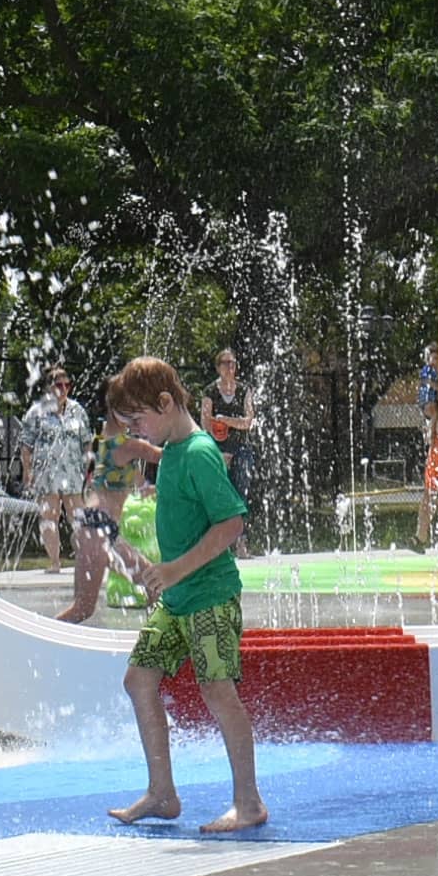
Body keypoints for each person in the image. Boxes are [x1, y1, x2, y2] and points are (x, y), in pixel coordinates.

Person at [90, 357, 264, 835]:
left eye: (138, 420)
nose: (135, 431)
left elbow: (232, 524)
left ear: (165, 404)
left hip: (209, 595)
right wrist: (160, 575)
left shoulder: (200, 453)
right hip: (179, 598)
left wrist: (173, 570)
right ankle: (163, 792)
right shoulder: (171, 452)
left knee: (218, 691)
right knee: (138, 679)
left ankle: (248, 802)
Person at [19, 365, 96, 562]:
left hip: (73, 473)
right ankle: (55, 562)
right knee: (48, 518)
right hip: (46, 474)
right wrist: (27, 471)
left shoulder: (77, 410)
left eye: (67, 385)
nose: (63, 389)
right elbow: (26, 446)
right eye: (58, 385)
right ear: (48, 388)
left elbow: (86, 443)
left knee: (78, 519)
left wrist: (90, 470)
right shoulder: (36, 412)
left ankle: (83, 559)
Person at [204, 346, 253, 498]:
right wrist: (220, 453)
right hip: (216, 447)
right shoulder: (210, 391)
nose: (230, 366)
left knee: (241, 484)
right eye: (225, 363)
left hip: (240, 447)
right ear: (218, 367)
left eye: (232, 362)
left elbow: (248, 422)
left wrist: (225, 420)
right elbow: (205, 423)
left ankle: (241, 519)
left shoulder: (244, 390)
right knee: (217, 491)